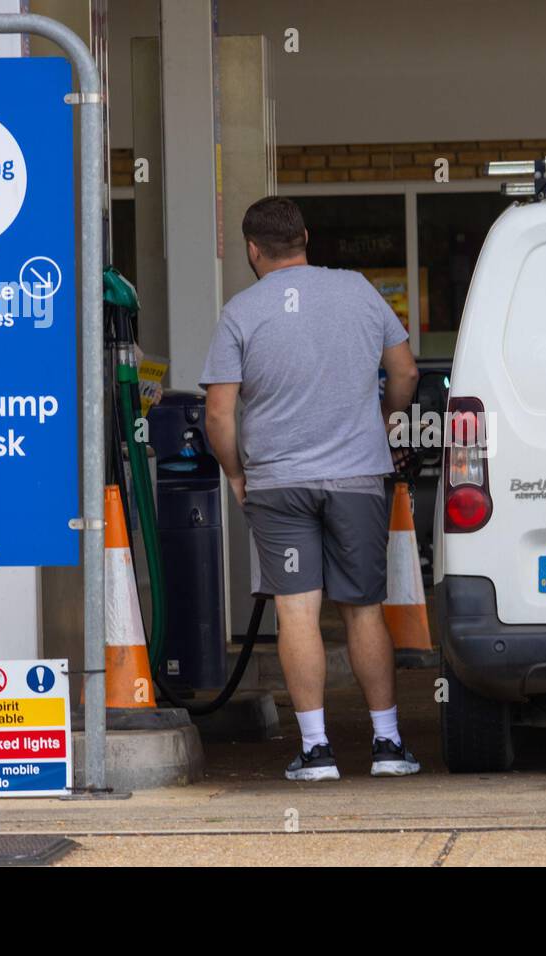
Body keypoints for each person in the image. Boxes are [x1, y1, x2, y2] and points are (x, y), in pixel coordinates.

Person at [201, 196, 421, 781]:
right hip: (356, 477)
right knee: (363, 609)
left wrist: (236, 473)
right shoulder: (358, 290)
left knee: (297, 610)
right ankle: (388, 744)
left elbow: (218, 414)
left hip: (278, 484)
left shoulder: (240, 311)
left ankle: (317, 751)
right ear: (305, 236)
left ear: (252, 249)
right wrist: (385, 418)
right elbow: (405, 372)